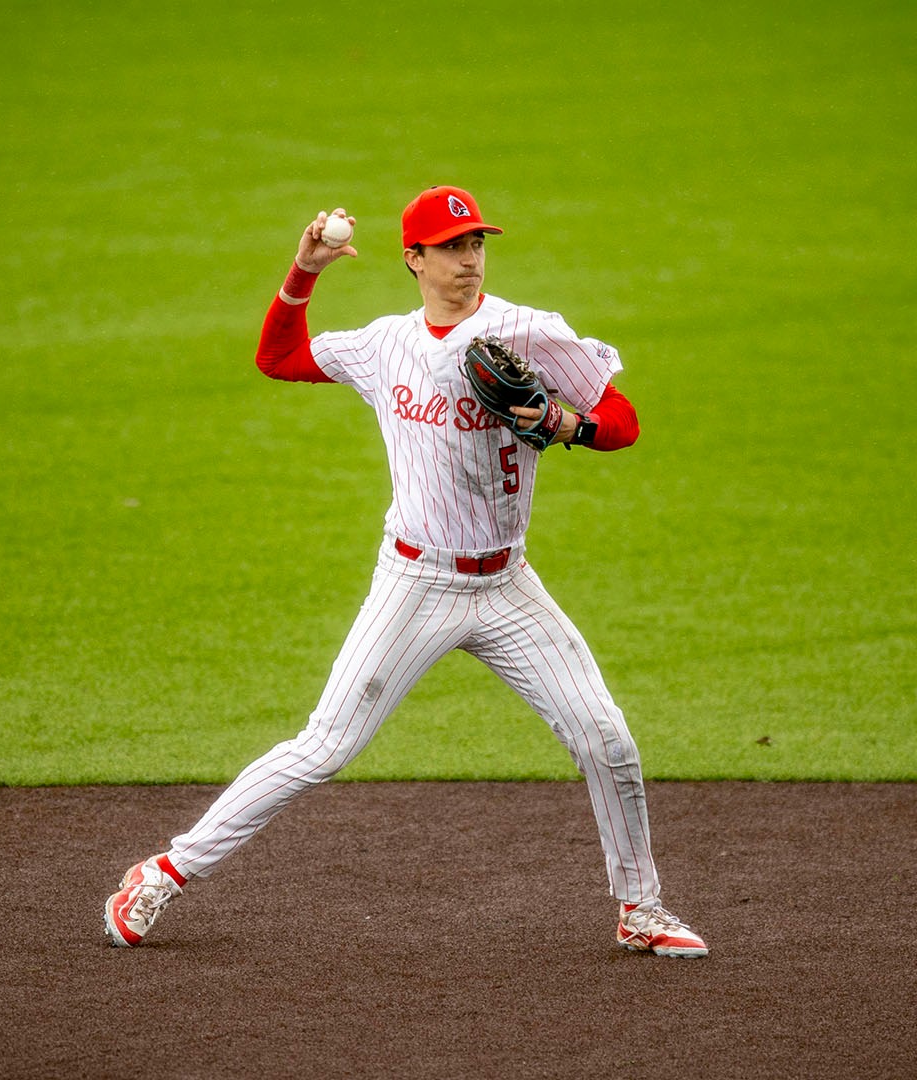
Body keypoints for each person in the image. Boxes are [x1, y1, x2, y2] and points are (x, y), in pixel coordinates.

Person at [104, 186, 707, 958]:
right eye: (453, 247)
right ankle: (162, 872)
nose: (470, 260)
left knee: (605, 739)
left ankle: (641, 909)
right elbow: (278, 357)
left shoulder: (527, 331)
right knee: (324, 748)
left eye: (478, 244)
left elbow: (622, 421)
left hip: (507, 586)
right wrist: (304, 271)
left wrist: (566, 424)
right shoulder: (385, 344)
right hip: (415, 584)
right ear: (414, 258)